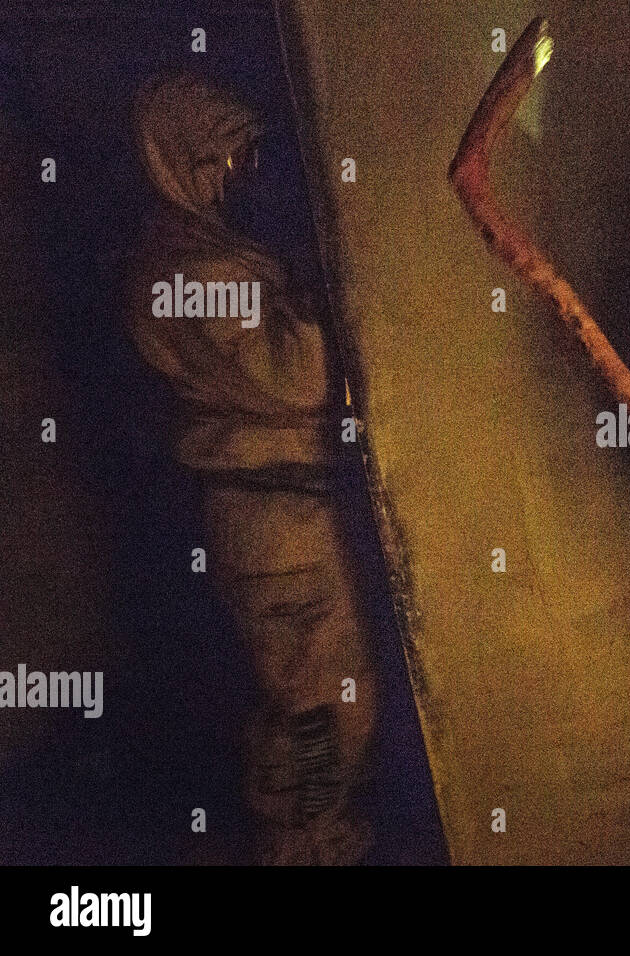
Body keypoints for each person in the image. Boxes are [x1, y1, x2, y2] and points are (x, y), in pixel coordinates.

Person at [122, 72, 374, 864]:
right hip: (273, 531)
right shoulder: (180, 277)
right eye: (232, 161)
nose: (249, 177)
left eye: (254, 157)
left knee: (338, 715)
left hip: (291, 519)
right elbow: (299, 372)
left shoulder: (220, 255)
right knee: (314, 728)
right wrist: (342, 299)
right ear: (184, 164)